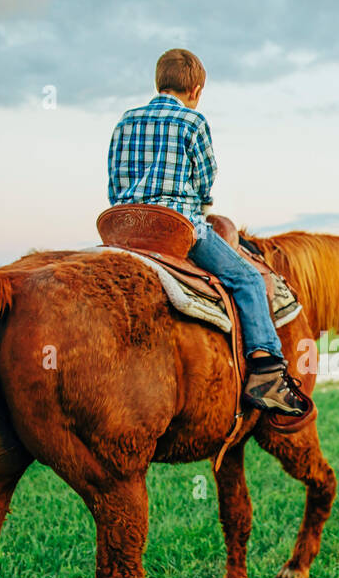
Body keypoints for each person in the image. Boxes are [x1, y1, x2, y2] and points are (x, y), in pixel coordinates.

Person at [107, 48, 306, 415]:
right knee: (246, 278)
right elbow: (205, 181)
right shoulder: (192, 122)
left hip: (124, 229)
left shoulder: (125, 120)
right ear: (196, 89)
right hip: (175, 229)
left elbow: (114, 181)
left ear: (158, 82)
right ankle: (267, 373)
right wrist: (198, 202)